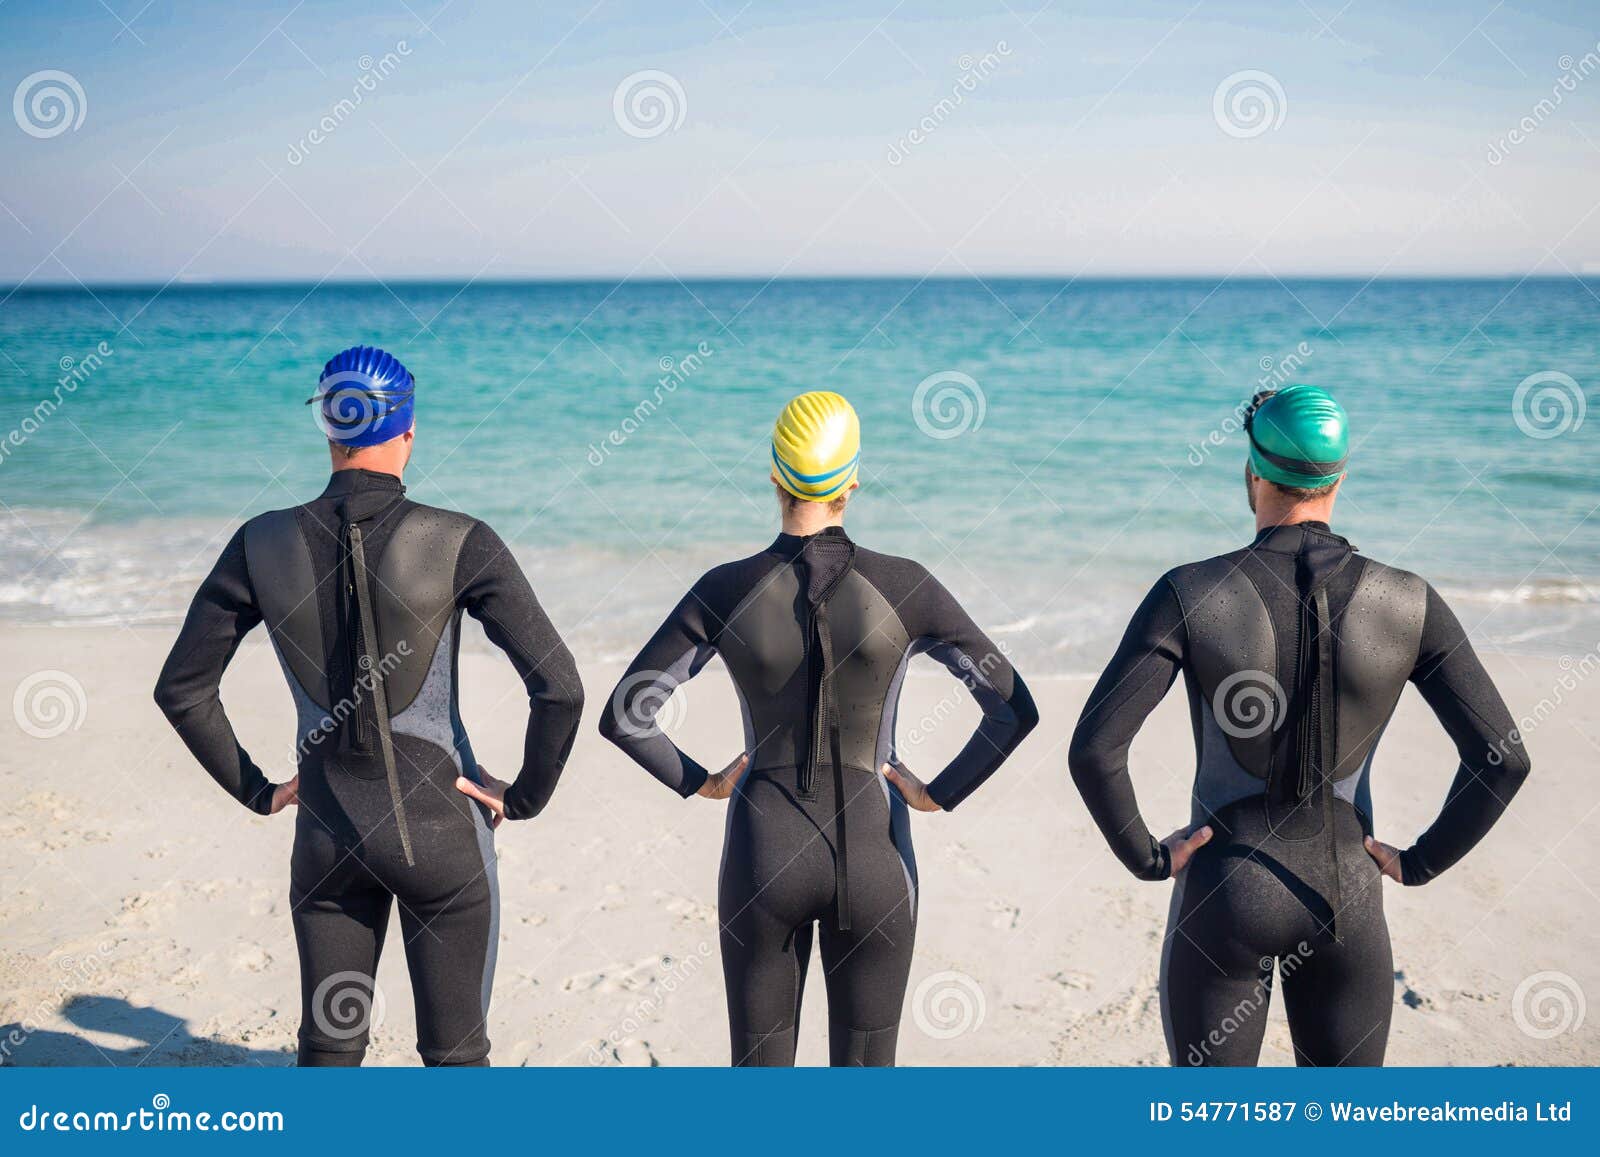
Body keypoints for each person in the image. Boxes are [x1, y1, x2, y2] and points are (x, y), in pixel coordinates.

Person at [1068, 384, 1530, 1067]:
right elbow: (1502, 758)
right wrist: (1421, 860)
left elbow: (1096, 749)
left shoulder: (1189, 592)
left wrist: (1150, 857)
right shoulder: (1407, 599)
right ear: (1340, 475)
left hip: (1226, 886)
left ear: (1253, 472)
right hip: (1347, 889)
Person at [154, 345, 584, 1066]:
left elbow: (183, 688)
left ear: (328, 429)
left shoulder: (260, 542)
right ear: (409, 429)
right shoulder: (459, 539)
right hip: (443, 834)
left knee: (329, 1050)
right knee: (455, 1060)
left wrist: (260, 791)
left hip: (325, 837)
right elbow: (561, 686)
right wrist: (525, 794)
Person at [599, 391, 1039, 1066]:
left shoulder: (724, 588)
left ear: (774, 474)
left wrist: (703, 780)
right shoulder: (909, 584)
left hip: (761, 852)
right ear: (853, 480)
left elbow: (627, 715)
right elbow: (1013, 707)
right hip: (877, 851)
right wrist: (937, 791)